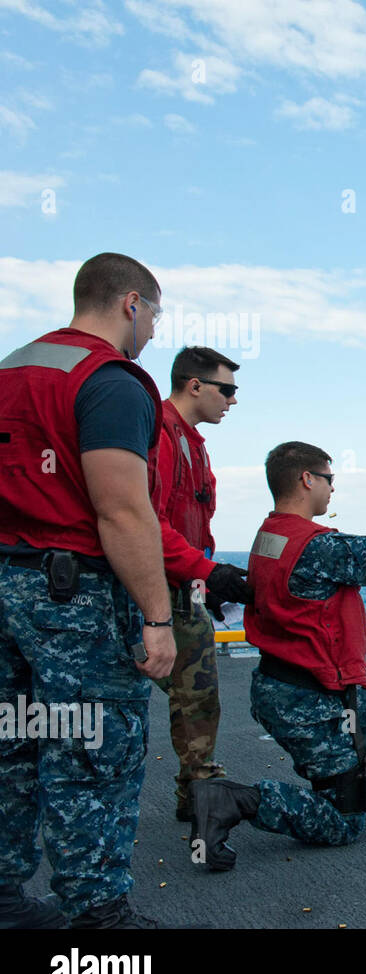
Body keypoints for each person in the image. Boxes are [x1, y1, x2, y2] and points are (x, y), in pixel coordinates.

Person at [189, 442, 366, 871]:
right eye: (329, 480)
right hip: (306, 700)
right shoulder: (314, 546)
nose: (331, 490)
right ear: (308, 479)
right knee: (344, 826)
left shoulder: (271, 533)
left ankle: (348, 779)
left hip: (284, 682)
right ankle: (235, 800)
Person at [0, 252, 179, 928]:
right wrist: (157, 619)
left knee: (12, 746)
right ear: (131, 303)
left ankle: (7, 901)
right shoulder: (109, 380)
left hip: (6, 585)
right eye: (155, 316)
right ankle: (99, 920)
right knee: (91, 754)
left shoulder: (12, 370)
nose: (154, 333)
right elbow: (122, 510)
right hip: (73, 601)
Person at [148, 346, 254, 821]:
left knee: (198, 692)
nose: (232, 401)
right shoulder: (161, 434)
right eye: (226, 389)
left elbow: (192, 524)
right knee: (186, 692)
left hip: (185, 583)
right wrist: (208, 573)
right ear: (195, 385)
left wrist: (205, 581)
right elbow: (150, 525)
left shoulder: (191, 440)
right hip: (156, 585)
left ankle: (198, 792)